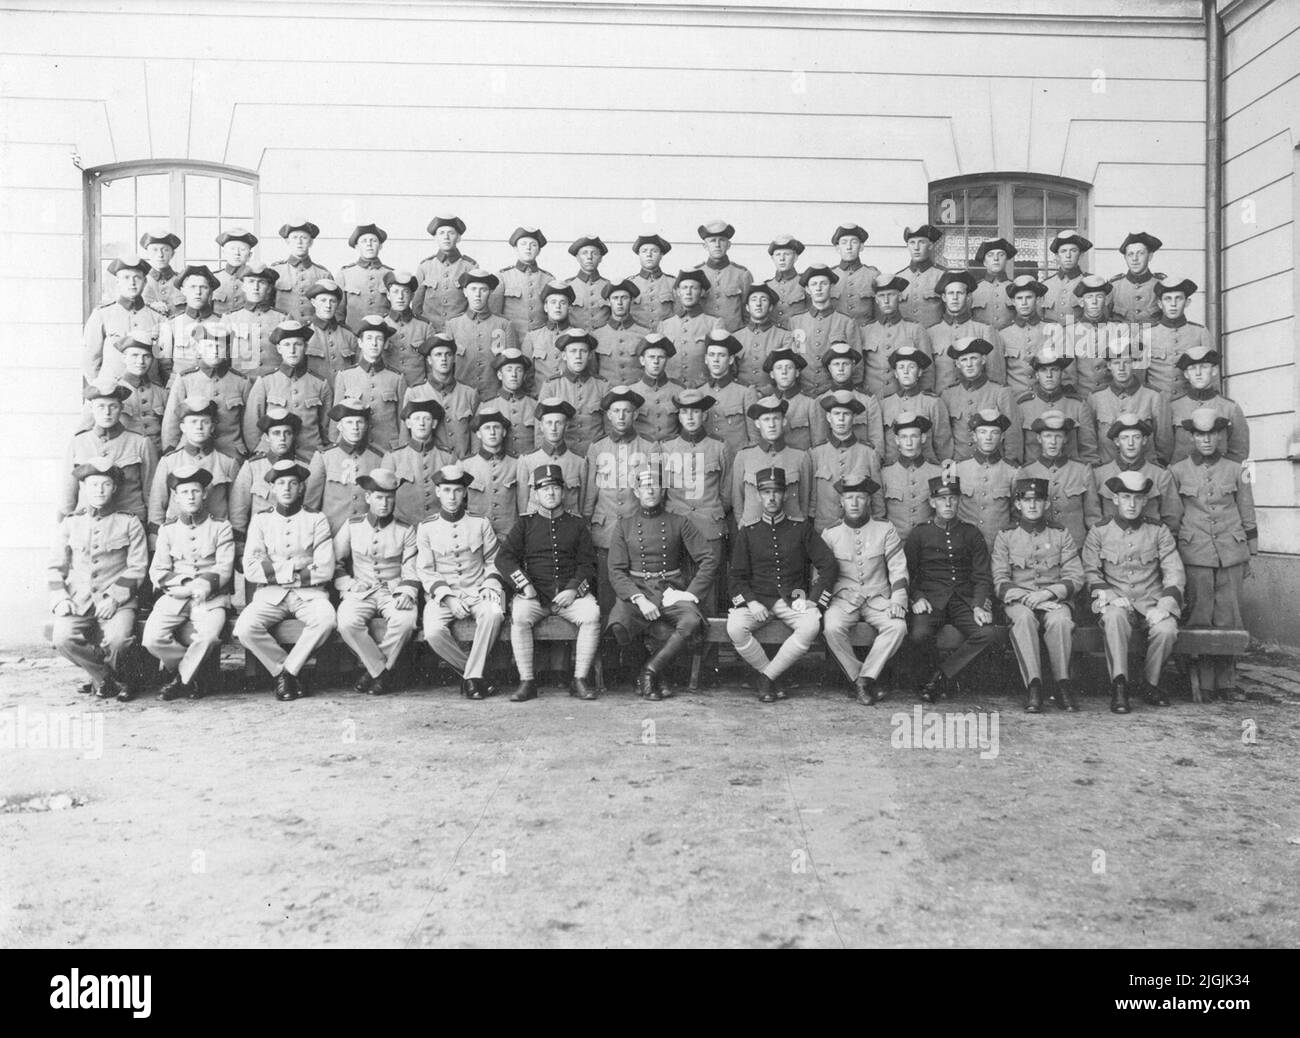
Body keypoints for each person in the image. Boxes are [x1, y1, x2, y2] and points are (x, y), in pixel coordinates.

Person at [726, 467, 838, 703]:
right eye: (766, 492)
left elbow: (829, 565)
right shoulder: (748, 532)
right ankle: (773, 676)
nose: (772, 497)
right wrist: (751, 602)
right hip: (757, 599)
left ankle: (767, 677)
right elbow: (736, 576)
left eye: (777, 492)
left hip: (794, 598)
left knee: (810, 625)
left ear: (786, 495)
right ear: (758, 496)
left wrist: (814, 600)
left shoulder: (801, 529)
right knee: (735, 628)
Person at [606, 465, 717, 701]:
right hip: (638, 591)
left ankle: (650, 672)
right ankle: (649, 675)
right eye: (644, 486)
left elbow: (708, 557)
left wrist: (689, 594)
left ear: (662, 489)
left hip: (671, 591)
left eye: (654, 485)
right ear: (636, 491)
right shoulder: (624, 525)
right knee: (619, 625)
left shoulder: (679, 521)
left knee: (690, 620)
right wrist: (638, 598)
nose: (650, 491)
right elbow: (616, 570)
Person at [1169, 408, 1258, 701]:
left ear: (1219, 435)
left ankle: (1228, 682)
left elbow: (1246, 510)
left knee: (1229, 617)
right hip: (1195, 554)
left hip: (1231, 552)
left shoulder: (1236, 468)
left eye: (1211, 434)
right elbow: (1175, 516)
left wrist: (1250, 553)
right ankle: (1205, 682)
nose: (1206, 440)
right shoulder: (1178, 471)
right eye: (1200, 434)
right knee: (1200, 616)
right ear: (1192, 437)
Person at [1082, 470, 1185, 713]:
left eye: (1137, 498)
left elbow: (1174, 571)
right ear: (1115, 499)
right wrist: (1110, 596)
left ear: (1145, 501)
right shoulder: (1100, 531)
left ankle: (1150, 684)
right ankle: (1120, 684)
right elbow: (1090, 572)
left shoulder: (1158, 531)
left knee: (1167, 629)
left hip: (1151, 602)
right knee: (1114, 618)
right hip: (1116, 602)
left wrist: (1164, 606)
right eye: (1125, 497)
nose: (1131, 503)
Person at [235, 458, 337, 701]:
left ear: (302, 487)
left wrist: (274, 569)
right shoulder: (261, 520)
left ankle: (288, 673)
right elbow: (251, 569)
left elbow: (324, 569)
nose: (287, 488)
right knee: (245, 628)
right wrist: (296, 565)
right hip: (271, 596)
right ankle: (284, 672)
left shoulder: (317, 519)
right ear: (272, 488)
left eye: (293, 483)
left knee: (326, 621)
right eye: (281, 483)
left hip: (309, 596)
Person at [497, 464, 601, 702]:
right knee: (520, 615)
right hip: (536, 597)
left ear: (563, 492)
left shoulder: (576, 524)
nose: (551, 494)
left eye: (555, 488)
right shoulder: (526, 524)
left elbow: (588, 564)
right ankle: (527, 681)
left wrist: (573, 589)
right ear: (535, 494)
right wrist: (523, 585)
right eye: (545, 489)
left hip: (569, 597)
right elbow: (504, 558)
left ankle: (579, 680)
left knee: (592, 614)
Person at [48, 458, 148, 702]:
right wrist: (60, 598)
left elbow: (137, 567)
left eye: (105, 485)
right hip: (78, 599)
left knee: (118, 641)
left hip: (118, 601)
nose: (99, 490)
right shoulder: (71, 523)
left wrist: (114, 598)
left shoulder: (129, 522)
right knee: (61, 638)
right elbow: (54, 567)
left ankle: (103, 680)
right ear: (83, 488)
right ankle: (108, 678)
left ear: (114, 488)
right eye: (93, 485)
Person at [143, 464, 235, 701]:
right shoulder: (168, 530)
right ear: (176, 497)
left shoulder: (220, 527)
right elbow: (159, 571)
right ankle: (194, 675)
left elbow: (223, 568)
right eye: (184, 492)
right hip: (176, 596)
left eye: (195, 491)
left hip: (211, 598)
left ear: (204, 493)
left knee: (208, 636)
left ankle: (180, 680)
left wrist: (203, 585)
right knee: (152, 638)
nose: (191, 497)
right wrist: (186, 585)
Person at [903, 476, 999, 703]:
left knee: (987, 633)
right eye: (942, 499)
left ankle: (940, 677)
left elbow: (982, 575)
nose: (948, 504)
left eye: (952, 499)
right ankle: (932, 678)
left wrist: (978, 605)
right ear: (932, 502)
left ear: (959, 502)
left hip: (963, 600)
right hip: (930, 598)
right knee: (919, 635)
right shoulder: (919, 534)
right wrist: (916, 597)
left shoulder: (971, 533)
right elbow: (907, 572)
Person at [993, 478, 1085, 713]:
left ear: (1046, 504)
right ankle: (1033, 686)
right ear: (1018, 504)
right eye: (1026, 500)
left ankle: (1063, 684)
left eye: (1038, 500)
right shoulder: (1006, 535)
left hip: (1054, 600)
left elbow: (1075, 576)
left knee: (1061, 621)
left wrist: (1046, 594)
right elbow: (1000, 579)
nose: (1032, 505)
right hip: (1019, 601)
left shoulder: (1060, 534)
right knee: (1024, 619)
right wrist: (1027, 598)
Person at [416, 464, 507, 699]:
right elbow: (426, 570)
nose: (452, 496)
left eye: (457, 490)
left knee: (494, 613)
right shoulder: (426, 528)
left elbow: (493, 561)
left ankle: (470, 677)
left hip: (478, 590)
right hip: (443, 596)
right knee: (433, 632)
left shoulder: (480, 523)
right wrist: (447, 597)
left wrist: (489, 586)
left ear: (465, 492)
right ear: (437, 492)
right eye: (446, 490)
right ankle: (476, 675)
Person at [819, 475, 909, 704]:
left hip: (878, 598)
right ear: (841, 501)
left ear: (869, 500)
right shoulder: (830, 534)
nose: (855, 503)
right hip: (843, 600)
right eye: (849, 498)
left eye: (860, 497)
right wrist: (842, 591)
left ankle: (864, 679)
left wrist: (898, 600)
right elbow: (820, 576)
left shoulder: (885, 529)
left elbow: (898, 569)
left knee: (897, 626)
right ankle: (860, 676)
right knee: (832, 627)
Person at [333, 467, 420, 697]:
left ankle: (373, 672)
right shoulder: (352, 525)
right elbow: (336, 563)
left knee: (406, 621)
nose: (384, 503)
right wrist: (349, 585)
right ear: (368, 497)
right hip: (361, 590)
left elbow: (411, 568)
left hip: (393, 591)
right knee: (346, 622)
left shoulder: (406, 530)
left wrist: (406, 593)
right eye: (379, 498)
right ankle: (382, 673)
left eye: (390, 498)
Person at [659, 388, 734, 615]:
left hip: (709, 530)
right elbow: (660, 492)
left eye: (696, 412)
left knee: (708, 597)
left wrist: (709, 512)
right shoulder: (665, 448)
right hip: (676, 530)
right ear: (679, 416)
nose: (690, 417)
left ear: (705, 416)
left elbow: (727, 493)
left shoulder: (720, 447)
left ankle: (709, 652)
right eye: (684, 412)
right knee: (676, 593)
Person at [582, 386, 653, 614]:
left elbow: (654, 492)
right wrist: (587, 521)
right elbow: (590, 492)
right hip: (605, 531)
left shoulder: (650, 447)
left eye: (627, 411)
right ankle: (607, 647)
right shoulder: (597, 447)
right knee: (606, 591)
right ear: (609, 415)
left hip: (637, 529)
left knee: (636, 590)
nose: (621, 416)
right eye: (616, 411)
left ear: (635, 415)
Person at [63, 378, 158, 524]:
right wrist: (65, 525)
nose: (107, 412)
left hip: (130, 524)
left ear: (121, 408)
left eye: (112, 406)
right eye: (100, 406)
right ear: (92, 410)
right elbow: (69, 491)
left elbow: (152, 492)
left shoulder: (141, 443)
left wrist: (153, 529)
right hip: (87, 524)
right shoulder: (78, 443)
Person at [148, 396, 241, 538]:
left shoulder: (228, 463)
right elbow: (157, 505)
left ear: (213, 427)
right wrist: (155, 542)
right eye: (193, 422)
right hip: (177, 538)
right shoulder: (169, 462)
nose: (199, 427)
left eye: (205, 422)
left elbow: (236, 509)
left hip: (216, 538)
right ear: (183, 427)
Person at [243, 320, 332, 458]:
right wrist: (262, 456)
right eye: (287, 345)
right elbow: (251, 427)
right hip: (273, 457)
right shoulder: (266, 382)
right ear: (279, 349)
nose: (292, 350)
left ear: (306, 347)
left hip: (311, 456)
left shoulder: (320, 384)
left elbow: (326, 428)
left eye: (298, 344)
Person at [1015, 409, 1101, 551]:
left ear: (1066, 439)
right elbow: (1019, 515)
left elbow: (1093, 515)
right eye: (1048, 436)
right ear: (1039, 439)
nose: (1053, 442)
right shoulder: (1026, 471)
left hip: (1075, 546)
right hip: (1038, 548)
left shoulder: (1082, 470)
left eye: (1058, 436)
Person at [162, 324, 251, 456]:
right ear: (199, 349)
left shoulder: (241, 381)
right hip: (191, 452)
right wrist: (170, 450)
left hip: (231, 452)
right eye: (209, 346)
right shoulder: (185, 379)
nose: (214, 351)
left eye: (219, 346)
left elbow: (249, 423)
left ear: (227, 350)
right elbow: (172, 420)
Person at [305, 398, 385, 533]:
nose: (355, 427)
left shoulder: (378, 458)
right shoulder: (324, 457)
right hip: (332, 532)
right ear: (340, 427)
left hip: (366, 534)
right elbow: (311, 505)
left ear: (366, 425)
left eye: (359, 422)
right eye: (349, 422)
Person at [82, 256, 166, 384]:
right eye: (126, 277)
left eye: (137, 277)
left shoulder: (158, 317)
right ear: (118, 282)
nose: (132, 282)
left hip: (150, 393)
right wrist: (102, 391)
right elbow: (91, 360)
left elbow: (164, 362)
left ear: (144, 282)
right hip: (113, 393)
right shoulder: (102, 315)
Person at [731, 396, 813, 526]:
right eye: (766, 420)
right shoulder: (743, 457)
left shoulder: (800, 457)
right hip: (752, 531)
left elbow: (804, 501)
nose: (771, 425)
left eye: (776, 418)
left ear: (784, 421)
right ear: (757, 423)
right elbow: (737, 501)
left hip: (791, 533)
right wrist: (743, 526)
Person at [940, 337, 1023, 465]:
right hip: (957, 466)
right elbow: (944, 438)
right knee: (950, 485)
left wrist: (1010, 467)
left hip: (992, 467)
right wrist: (948, 472)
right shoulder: (948, 394)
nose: (969, 364)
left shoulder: (1000, 392)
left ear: (983, 360)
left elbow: (1012, 435)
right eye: (964, 360)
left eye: (973, 358)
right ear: (957, 364)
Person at [810, 390, 884, 531]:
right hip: (825, 528)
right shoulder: (815, 454)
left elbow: (877, 501)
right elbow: (811, 501)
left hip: (862, 528)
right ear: (828, 417)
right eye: (837, 414)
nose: (841, 419)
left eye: (846, 414)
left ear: (854, 417)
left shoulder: (868, 453)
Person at [1095, 413, 1182, 531]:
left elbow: (1172, 518)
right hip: (1112, 544)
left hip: (1149, 543)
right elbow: (1094, 518)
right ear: (1116, 441)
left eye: (1136, 437)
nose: (1130, 443)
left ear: (1144, 440)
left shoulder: (1160, 475)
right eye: (1125, 438)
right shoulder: (1099, 474)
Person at [1015, 344, 1099, 465]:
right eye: (1043, 370)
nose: (1049, 375)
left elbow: (1089, 452)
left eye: (1054, 369)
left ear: (1062, 373)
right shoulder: (1023, 406)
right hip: (1034, 477)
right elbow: (1017, 452)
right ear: (1037, 375)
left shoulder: (1077, 405)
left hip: (1070, 477)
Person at [231, 408, 303, 546]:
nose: (282, 438)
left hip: (294, 541)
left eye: (287, 433)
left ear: (293, 436)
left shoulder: (303, 467)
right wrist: (240, 549)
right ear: (267, 437)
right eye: (276, 433)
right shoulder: (252, 467)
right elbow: (238, 510)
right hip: (260, 541)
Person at [1090, 345, 1172, 466]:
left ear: (1134, 364)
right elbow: (1089, 440)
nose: (1122, 368)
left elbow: (1164, 441)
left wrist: (1156, 467)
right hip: (1107, 470)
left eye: (1127, 362)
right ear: (1108, 366)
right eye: (1116, 363)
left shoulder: (1154, 396)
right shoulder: (1096, 397)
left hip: (1145, 470)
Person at [787, 265, 862, 395]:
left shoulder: (846, 322)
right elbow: (793, 358)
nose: (819, 288)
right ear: (807, 290)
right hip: (804, 392)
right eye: (814, 284)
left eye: (824, 283)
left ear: (831, 287)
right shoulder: (796, 322)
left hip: (835, 393)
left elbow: (857, 365)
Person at [333, 316, 405, 452]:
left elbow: (403, 422)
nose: (374, 344)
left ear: (385, 344)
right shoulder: (345, 376)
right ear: (360, 342)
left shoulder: (396, 378)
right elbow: (336, 421)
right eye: (369, 338)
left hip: (388, 450)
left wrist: (401, 452)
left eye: (379, 339)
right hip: (357, 451)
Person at [401, 334, 479, 458]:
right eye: (438, 355)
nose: (444, 359)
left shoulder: (468, 393)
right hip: (430, 466)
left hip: (463, 466)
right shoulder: (415, 393)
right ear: (429, 360)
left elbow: (476, 438)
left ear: (454, 358)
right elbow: (405, 437)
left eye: (448, 354)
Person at [928, 270, 1007, 391]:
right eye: (950, 293)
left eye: (959, 293)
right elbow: (928, 377)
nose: (955, 298)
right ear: (944, 297)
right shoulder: (931, 333)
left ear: (968, 297)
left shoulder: (984, 330)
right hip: (942, 401)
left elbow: (996, 377)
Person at [380, 399, 456, 526]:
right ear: (408, 423)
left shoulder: (448, 457)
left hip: (440, 528)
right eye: (416, 419)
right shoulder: (393, 457)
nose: (421, 423)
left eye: (426, 419)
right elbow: (383, 497)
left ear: (434, 423)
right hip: (404, 528)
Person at [89, 333, 167, 455]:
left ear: (152, 359)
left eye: (146, 356)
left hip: (156, 457)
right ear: (124, 358)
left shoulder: (161, 392)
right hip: (124, 456)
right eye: (135, 355)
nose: (140, 361)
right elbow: (87, 429)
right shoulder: (110, 390)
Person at [446, 268, 518, 398]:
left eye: (483, 290)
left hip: (494, 396)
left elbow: (512, 365)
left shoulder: (503, 324)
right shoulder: (453, 325)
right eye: (473, 289)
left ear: (490, 292)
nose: (477, 295)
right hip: (461, 396)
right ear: (465, 292)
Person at [1168, 346, 1248, 464]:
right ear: (1186, 374)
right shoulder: (1173, 407)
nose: (1198, 373)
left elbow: (1239, 453)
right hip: (1183, 479)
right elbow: (1165, 449)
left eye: (1204, 367)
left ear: (1214, 371)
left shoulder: (1230, 408)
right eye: (1192, 369)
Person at [953, 409, 1018, 551]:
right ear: (974, 436)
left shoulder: (1013, 471)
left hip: (998, 546)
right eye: (982, 432)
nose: (988, 437)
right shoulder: (956, 469)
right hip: (963, 546)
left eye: (994, 432)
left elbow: (1017, 513)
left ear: (1002, 437)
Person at [861, 275, 935, 399]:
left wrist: (921, 400)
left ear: (900, 297)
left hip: (905, 400)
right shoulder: (865, 330)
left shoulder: (915, 329)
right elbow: (859, 369)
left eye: (891, 295)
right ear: (876, 300)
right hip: (874, 399)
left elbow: (927, 371)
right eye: (881, 296)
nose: (886, 300)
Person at [538, 330, 609, 456]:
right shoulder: (551, 386)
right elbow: (540, 429)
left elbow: (609, 428)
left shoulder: (602, 386)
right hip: (563, 457)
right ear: (564, 355)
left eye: (583, 351)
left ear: (591, 355)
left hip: (596, 455)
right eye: (573, 351)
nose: (578, 356)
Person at [1145, 278, 1214, 402]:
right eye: (1168, 299)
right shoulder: (1145, 335)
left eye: (1178, 298)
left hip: (1191, 408)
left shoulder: (1200, 333)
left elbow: (1212, 378)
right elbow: (1139, 380)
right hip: (1157, 407)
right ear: (1160, 304)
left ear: (1187, 302)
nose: (1173, 304)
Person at [881, 412, 945, 539]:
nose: (909, 443)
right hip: (895, 544)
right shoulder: (885, 474)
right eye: (904, 437)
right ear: (897, 440)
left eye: (914, 436)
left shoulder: (938, 473)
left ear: (923, 438)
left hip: (929, 544)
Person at [460, 405, 520, 542]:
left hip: (510, 537)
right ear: (479, 434)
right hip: (476, 537)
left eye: (496, 427)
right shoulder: (465, 465)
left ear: (504, 432)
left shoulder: (518, 463)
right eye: (487, 428)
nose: (492, 432)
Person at [812, 342, 884, 457]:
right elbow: (818, 439)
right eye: (836, 364)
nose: (841, 369)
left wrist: (875, 461)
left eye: (845, 364)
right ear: (829, 368)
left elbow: (877, 439)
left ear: (853, 365)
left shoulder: (868, 399)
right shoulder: (820, 399)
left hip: (861, 461)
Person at [516, 398, 585, 516]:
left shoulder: (579, 462)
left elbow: (582, 503)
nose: (553, 428)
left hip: (569, 528)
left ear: (566, 426)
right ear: (541, 426)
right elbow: (522, 504)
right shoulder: (527, 460)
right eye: (549, 423)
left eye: (558, 423)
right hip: (536, 528)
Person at [999, 275, 1066, 397]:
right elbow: (999, 375)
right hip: (1015, 399)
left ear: (1038, 300)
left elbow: (1067, 373)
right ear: (1013, 301)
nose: (1024, 303)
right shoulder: (1003, 334)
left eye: (1029, 297)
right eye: (1019, 298)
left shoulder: (1054, 329)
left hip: (1045, 398)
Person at [658, 270, 723, 388]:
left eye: (694, 288)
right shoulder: (664, 325)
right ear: (678, 292)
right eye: (684, 288)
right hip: (671, 389)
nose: (688, 292)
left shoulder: (714, 324)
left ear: (702, 292)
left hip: (702, 389)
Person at [155, 264, 220, 384]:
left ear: (210, 291)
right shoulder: (171, 325)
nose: (198, 292)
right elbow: (164, 365)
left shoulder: (222, 323)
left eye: (203, 287)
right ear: (183, 290)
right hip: (181, 387)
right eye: (192, 287)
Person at [1064, 275, 1126, 398]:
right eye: (1089, 297)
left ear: (1106, 300)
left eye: (1099, 297)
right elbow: (1069, 376)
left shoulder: (1120, 330)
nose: (1094, 302)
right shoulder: (1069, 332)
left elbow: (1125, 369)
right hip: (1082, 397)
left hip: (1112, 397)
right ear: (1081, 302)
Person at [413, 215, 475, 332]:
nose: (446, 237)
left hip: (459, 330)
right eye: (441, 233)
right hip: (430, 331)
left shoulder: (470, 267)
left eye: (451, 233)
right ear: (435, 238)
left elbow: (473, 304)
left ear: (459, 237)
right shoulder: (425, 266)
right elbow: (417, 304)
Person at [491, 226, 553, 341]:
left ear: (539, 250)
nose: (528, 248)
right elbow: (495, 316)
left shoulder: (548, 280)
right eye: (523, 244)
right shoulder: (503, 277)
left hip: (540, 343)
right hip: (512, 341)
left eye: (533, 245)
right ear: (515, 248)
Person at [224, 263, 286, 377]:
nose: (256, 287)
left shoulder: (283, 318)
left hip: (274, 384)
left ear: (269, 288)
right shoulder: (230, 318)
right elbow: (222, 355)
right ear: (243, 286)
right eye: (251, 282)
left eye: (261, 282)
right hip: (242, 381)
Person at [701, 330, 758, 453]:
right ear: (706, 359)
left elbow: (755, 439)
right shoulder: (699, 391)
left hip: (736, 460)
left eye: (721, 355)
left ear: (731, 359)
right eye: (711, 355)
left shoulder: (746, 392)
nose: (715, 360)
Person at [693, 219, 752, 331]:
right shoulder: (696, 273)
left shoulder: (742, 274)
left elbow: (748, 313)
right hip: (704, 335)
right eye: (712, 241)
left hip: (734, 335)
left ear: (729, 245)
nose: (717, 245)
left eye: (722, 240)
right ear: (705, 246)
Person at [271, 218, 333, 323]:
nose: (299, 242)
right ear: (287, 241)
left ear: (311, 242)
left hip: (314, 333)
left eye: (304, 237)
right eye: (294, 237)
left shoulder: (323, 274)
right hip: (284, 331)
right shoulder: (275, 271)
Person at [593, 280, 651, 388]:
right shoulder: (597, 335)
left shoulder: (645, 334)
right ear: (608, 302)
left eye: (624, 298)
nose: (619, 302)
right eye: (615, 298)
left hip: (636, 395)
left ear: (632, 300)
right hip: (607, 394)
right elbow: (593, 372)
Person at [733, 283, 790, 393]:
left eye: (763, 300)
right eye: (754, 300)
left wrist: (765, 392)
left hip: (773, 397)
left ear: (770, 307)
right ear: (747, 307)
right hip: (741, 395)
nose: (758, 304)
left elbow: (787, 372)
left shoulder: (784, 337)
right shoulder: (736, 337)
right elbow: (731, 372)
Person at [336, 223, 393, 332]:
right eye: (364, 241)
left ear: (380, 245)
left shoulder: (390, 273)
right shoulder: (345, 273)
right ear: (357, 247)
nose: (369, 244)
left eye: (373, 240)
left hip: (383, 334)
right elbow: (339, 312)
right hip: (354, 333)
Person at [628, 334, 684, 443]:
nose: (656, 361)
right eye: (651, 357)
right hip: (642, 453)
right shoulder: (631, 391)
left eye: (661, 357)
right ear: (642, 360)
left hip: (671, 453)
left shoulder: (678, 390)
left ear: (666, 360)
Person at [521, 281, 577, 388]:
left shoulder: (578, 336)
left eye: (563, 303)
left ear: (569, 308)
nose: (558, 307)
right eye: (553, 302)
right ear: (545, 307)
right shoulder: (533, 337)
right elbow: (526, 374)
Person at [481, 349, 537, 455]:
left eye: (519, 370)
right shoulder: (487, 406)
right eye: (509, 370)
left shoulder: (534, 405)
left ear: (524, 375)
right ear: (500, 375)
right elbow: (478, 448)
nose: (514, 375)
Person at [381, 271, 432, 387]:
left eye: (406, 292)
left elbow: (431, 367)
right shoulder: (381, 325)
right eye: (395, 292)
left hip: (417, 389)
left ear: (412, 296)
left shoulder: (424, 327)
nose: (400, 297)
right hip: (388, 388)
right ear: (388, 295)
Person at [302, 279, 358, 383]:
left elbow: (358, 371)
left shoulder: (348, 335)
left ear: (337, 304)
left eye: (332, 301)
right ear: (313, 302)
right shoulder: (304, 333)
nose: (328, 306)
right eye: (323, 300)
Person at [762, 348, 818, 451]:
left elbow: (818, 444)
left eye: (789, 367)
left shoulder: (810, 404)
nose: (784, 372)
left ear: (797, 373)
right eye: (779, 368)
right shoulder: (764, 404)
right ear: (772, 374)